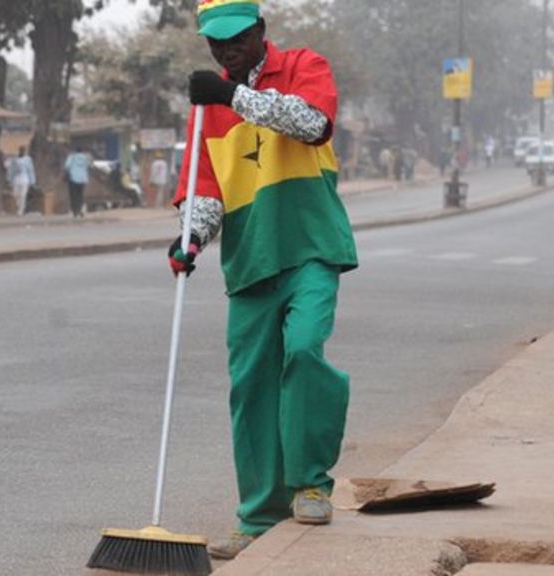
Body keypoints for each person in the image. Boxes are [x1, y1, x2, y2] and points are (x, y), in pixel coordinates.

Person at [171, 0, 357, 560]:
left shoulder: (305, 66)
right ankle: (258, 517)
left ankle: (311, 484)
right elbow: (205, 187)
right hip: (250, 258)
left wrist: (232, 96)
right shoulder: (207, 107)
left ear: (260, 31)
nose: (226, 51)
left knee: (303, 351)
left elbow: (312, 123)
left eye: (236, 38)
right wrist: (191, 237)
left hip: (310, 247)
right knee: (250, 386)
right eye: (216, 43)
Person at [63, 146, 91, 218]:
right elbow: (89, 165)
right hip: (82, 179)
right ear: (82, 151)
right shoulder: (86, 157)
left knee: (73, 196)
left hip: (73, 178)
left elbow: (66, 166)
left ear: (75, 151)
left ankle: (75, 212)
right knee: (80, 195)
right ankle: (80, 210)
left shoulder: (71, 157)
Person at [8, 146, 36, 216]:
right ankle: (18, 205)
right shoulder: (14, 159)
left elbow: (30, 170)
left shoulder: (28, 159)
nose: (22, 151)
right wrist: (9, 179)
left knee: (23, 195)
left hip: (24, 178)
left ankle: (21, 210)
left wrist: (32, 180)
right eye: (21, 150)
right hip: (16, 179)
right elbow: (11, 170)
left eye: (23, 150)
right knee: (15, 194)